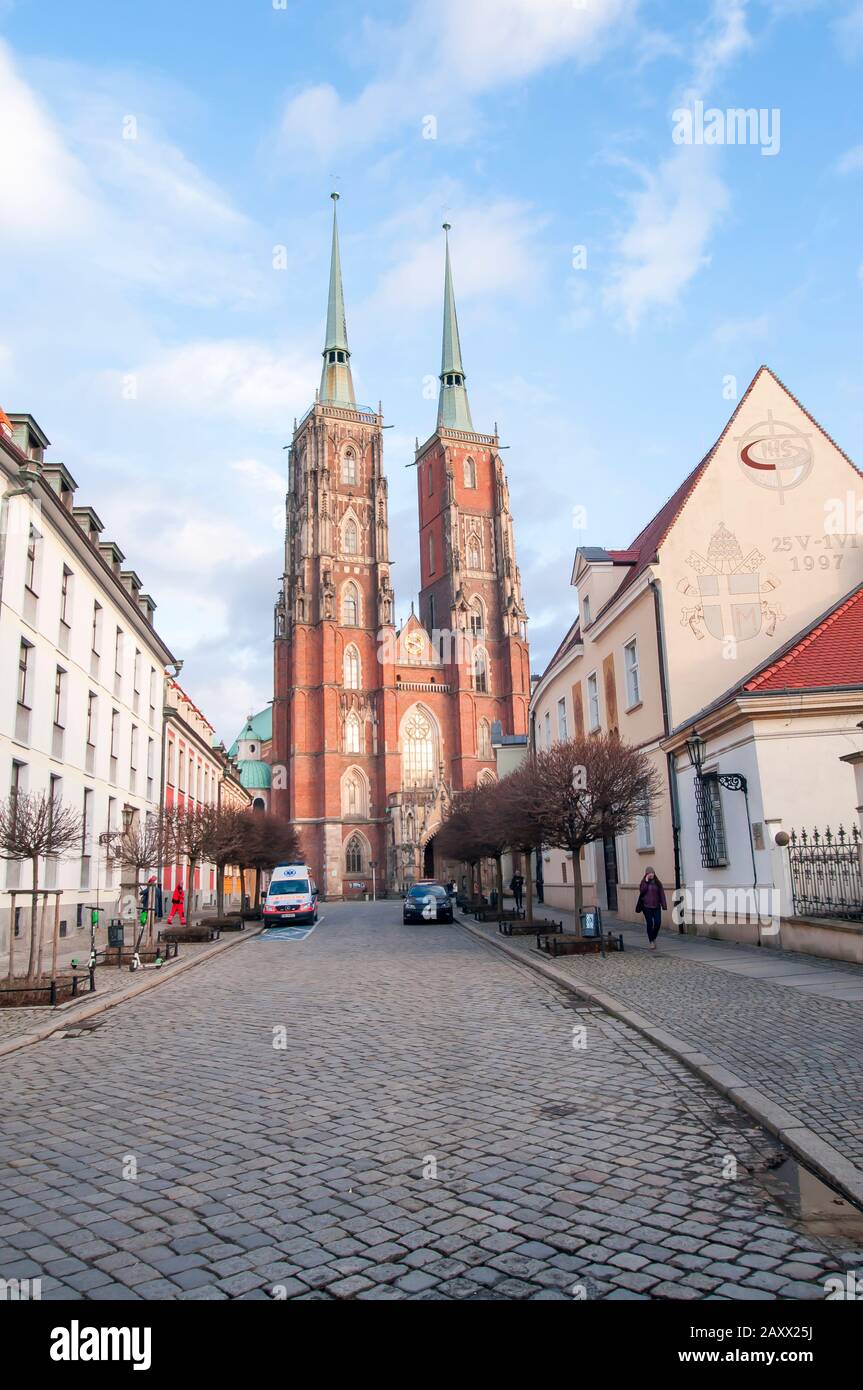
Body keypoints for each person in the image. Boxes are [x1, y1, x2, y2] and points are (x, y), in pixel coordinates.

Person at [637, 867, 667, 949]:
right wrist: (646, 881)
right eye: (649, 873)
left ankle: (653, 937)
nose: (651, 874)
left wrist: (664, 905)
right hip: (646, 906)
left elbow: (662, 894)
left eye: (652, 873)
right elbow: (642, 891)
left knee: (658, 923)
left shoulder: (658, 883)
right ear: (646, 874)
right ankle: (651, 942)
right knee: (650, 923)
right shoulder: (643, 882)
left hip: (656, 906)